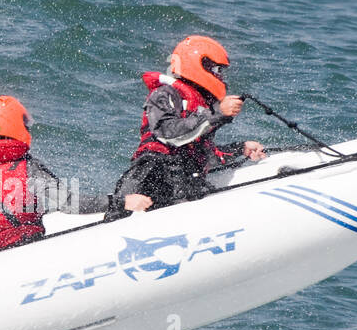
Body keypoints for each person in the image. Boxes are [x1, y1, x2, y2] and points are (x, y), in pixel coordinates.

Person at [0, 96, 144, 254]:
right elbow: (69, 203)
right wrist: (120, 202)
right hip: (25, 250)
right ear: (16, 127)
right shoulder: (28, 168)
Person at [113, 35, 266, 212]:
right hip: (150, 179)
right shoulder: (164, 94)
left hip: (183, 186)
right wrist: (217, 114)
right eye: (217, 70)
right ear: (200, 66)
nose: (220, 76)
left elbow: (205, 155)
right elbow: (169, 134)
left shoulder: (202, 107)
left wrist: (241, 149)